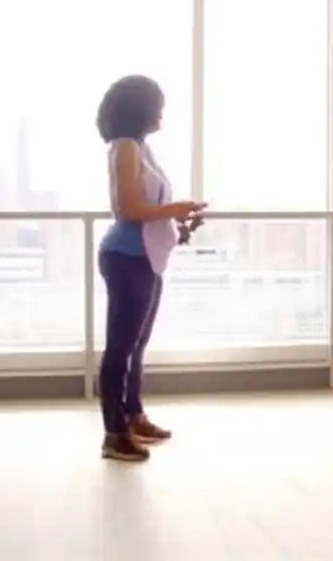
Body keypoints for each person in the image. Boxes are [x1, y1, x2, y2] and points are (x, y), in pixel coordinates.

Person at [96, 75, 205, 462]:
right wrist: (172, 211)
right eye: (156, 105)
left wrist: (177, 220)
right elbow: (128, 210)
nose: (161, 113)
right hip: (127, 256)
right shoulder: (125, 148)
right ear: (140, 109)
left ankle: (132, 414)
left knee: (136, 344)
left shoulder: (142, 148)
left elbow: (149, 210)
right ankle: (114, 432)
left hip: (146, 257)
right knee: (121, 346)